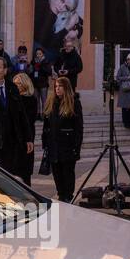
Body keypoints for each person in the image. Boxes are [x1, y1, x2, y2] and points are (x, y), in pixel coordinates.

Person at [41, 75, 84, 203]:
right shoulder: (51, 102)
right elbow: (46, 125)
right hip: (53, 144)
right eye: (56, 86)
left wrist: (76, 146)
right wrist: (45, 141)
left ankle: (68, 196)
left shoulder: (74, 102)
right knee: (56, 172)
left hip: (67, 144)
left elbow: (78, 127)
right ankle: (61, 194)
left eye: (60, 86)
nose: (57, 89)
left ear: (66, 88)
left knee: (67, 172)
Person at [12, 73, 39, 185]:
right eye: (15, 84)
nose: (16, 86)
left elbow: (28, 119)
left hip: (25, 137)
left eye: (19, 83)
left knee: (24, 169)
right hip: (14, 138)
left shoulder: (29, 99)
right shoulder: (13, 98)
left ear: (25, 84)